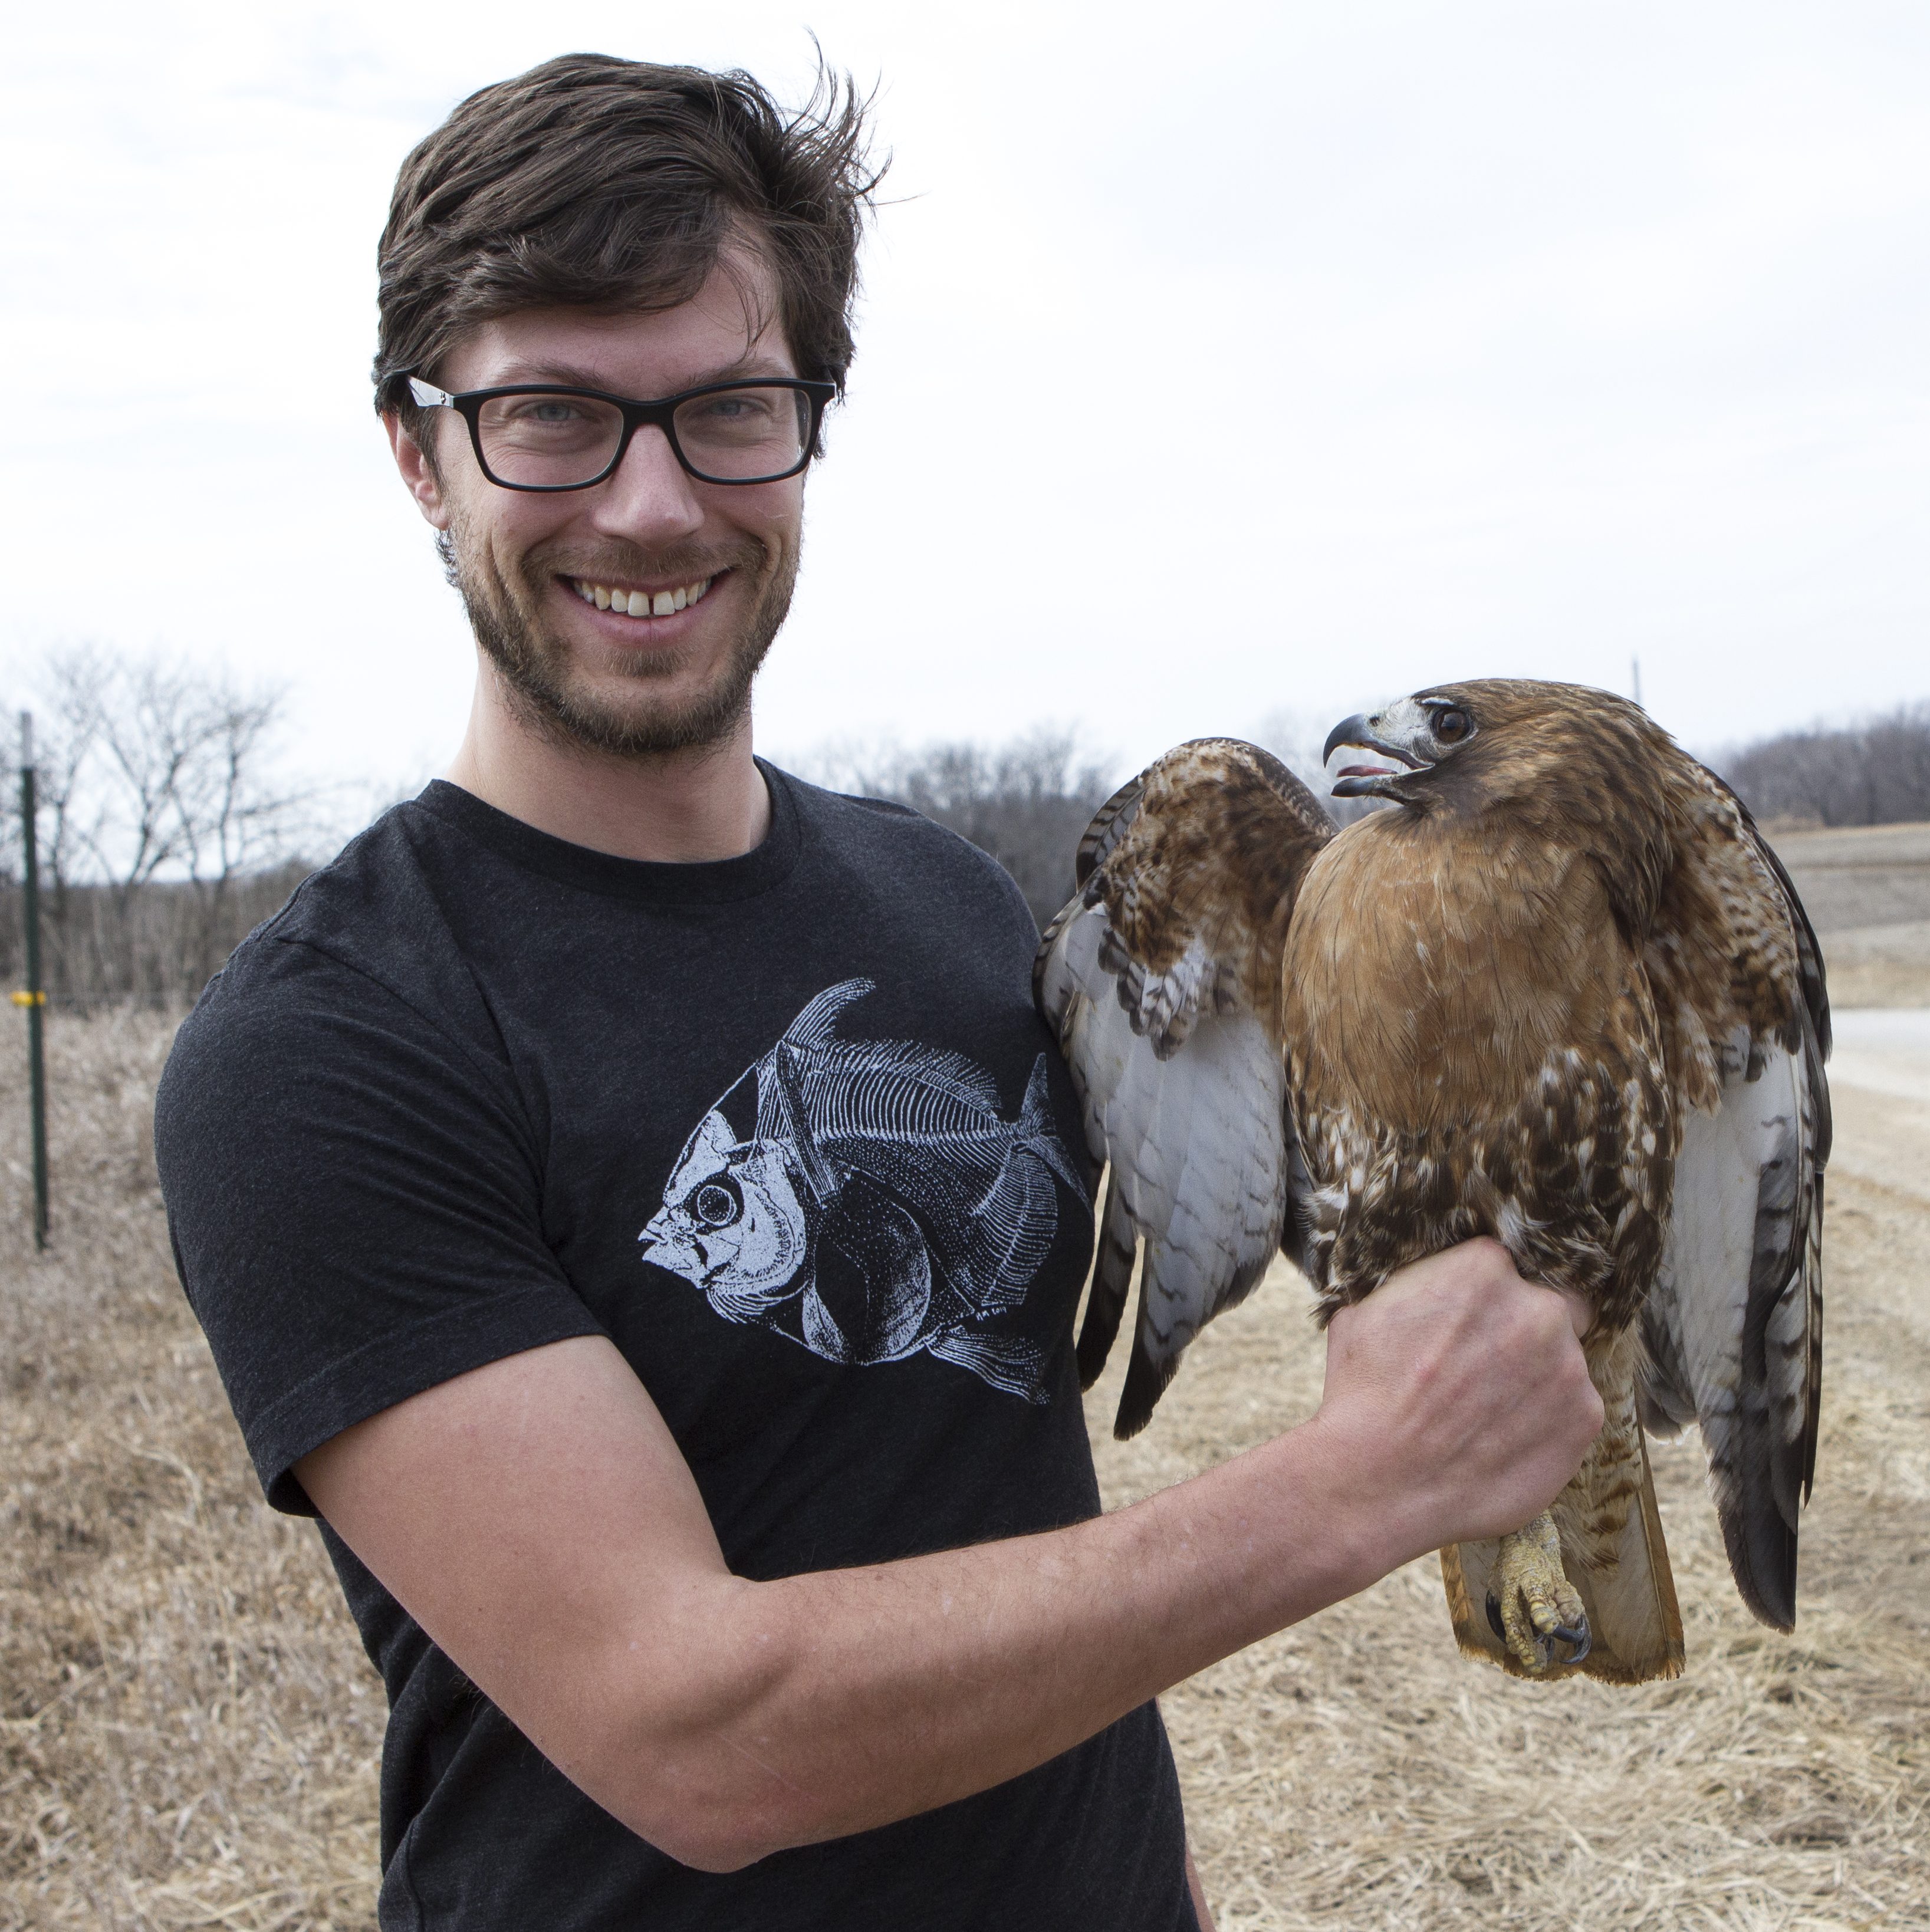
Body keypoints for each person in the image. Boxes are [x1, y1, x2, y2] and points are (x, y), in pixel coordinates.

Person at [154, 52, 1603, 1932]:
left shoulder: (934, 898)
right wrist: (1356, 1483)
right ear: (416, 453)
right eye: (552, 419)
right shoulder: (325, 1049)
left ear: (810, 426)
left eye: (730, 410)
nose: (656, 506)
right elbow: (699, 1732)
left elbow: (1019, 1528)